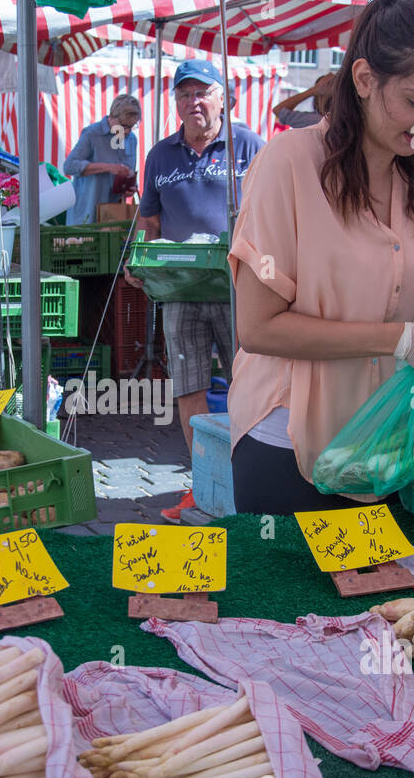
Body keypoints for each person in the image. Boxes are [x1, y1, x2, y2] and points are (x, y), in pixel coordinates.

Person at [227, 0, 414, 516]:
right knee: (290, 597)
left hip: (389, 433)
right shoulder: (289, 162)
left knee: (385, 597)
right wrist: (404, 342)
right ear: (363, 80)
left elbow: (413, 307)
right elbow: (258, 328)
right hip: (290, 437)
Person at [125, 58, 265, 522]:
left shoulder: (249, 147)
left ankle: (252, 479)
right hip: (181, 289)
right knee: (189, 386)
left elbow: (275, 214)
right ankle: (203, 482)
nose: (193, 102)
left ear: (223, 97)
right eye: (184, 94)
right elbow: (148, 220)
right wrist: (138, 258)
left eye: (202, 92)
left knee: (251, 380)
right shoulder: (160, 155)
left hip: (240, 289)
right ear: (176, 103)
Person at [62, 95, 141, 225]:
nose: (126, 132)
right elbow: (69, 166)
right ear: (112, 117)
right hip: (85, 217)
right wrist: (109, 167)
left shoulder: (131, 139)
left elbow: (129, 172)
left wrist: (131, 188)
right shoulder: (92, 134)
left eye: (131, 127)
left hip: (113, 218)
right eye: (123, 126)